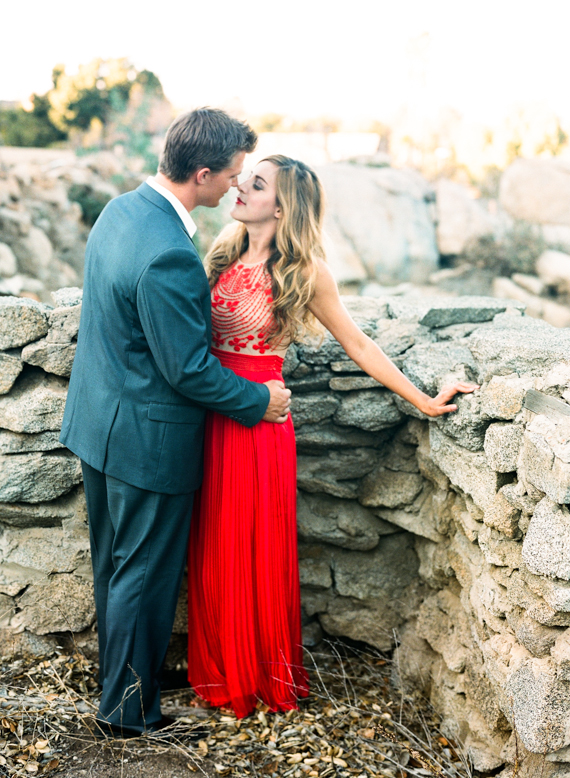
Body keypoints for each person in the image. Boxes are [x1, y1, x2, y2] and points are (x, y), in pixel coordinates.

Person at [186, 155, 477, 719]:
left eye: (257, 182)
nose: (240, 186)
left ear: (283, 204)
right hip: (212, 411)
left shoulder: (306, 272)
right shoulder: (222, 248)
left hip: (261, 420)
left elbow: (360, 345)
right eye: (245, 178)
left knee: (253, 543)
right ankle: (219, 664)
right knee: (214, 539)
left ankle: (257, 676)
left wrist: (421, 398)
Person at [59, 110, 292, 738]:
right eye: (233, 176)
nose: (235, 189)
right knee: (142, 573)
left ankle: (122, 681)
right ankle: (128, 714)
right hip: (146, 439)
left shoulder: (121, 210)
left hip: (98, 422)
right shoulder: (169, 252)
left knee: (115, 565)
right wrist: (257, 403)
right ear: (202, 172)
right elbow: (188, 370)